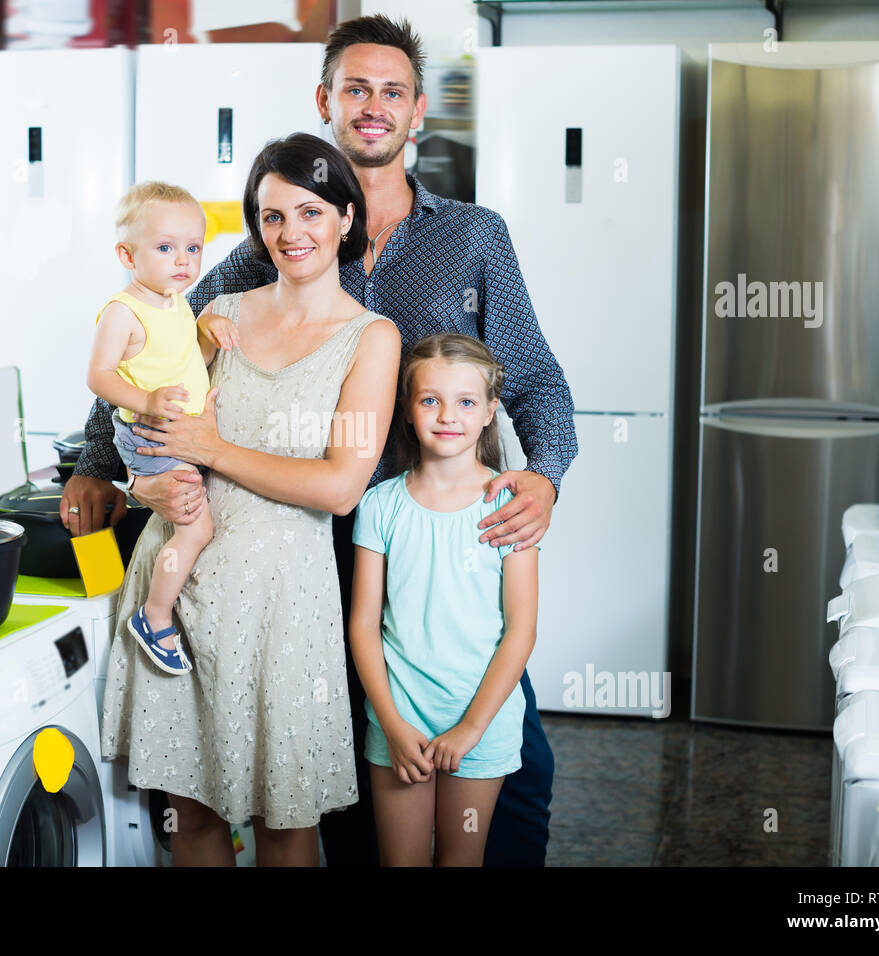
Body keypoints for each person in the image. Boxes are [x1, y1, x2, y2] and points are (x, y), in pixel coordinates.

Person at [66, 14, 576, 866]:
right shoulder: (250, 265)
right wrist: (97, 460)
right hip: (303, 553)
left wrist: (546, 476)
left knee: (506, 786)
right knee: (328, 782)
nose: (373, 106)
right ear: (325, 102)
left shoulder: (473, 238)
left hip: (425, 543)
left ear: (419, 114)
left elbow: (536, 382)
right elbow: (157, 347)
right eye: (355, 89)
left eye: (393, 91)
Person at [98, 133, 402, 865]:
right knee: (192, 811)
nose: (292, 233)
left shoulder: (371, 339)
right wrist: (141, 484)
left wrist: (214, 451)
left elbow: (340, 485)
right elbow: (145, 424)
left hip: (282, 606)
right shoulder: (216, 313)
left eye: (310, 212)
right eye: (271, 217)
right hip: (177, 597)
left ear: (345, 219)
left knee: (285, 819)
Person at [351, 334, 539, 866]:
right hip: (400, 721)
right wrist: (390, 722)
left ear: (489, 413)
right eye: (429, 400)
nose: (446, 415)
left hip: (481, 723)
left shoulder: (509, 507)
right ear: (407, 412)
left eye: (465, 402)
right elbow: (364, 625)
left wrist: (471, 729)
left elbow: (520, 630)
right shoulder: (380, 505)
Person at [85, 182, 238, 675]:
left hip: (177, 430)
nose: (183, 261)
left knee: (194, 524)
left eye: (193, 248)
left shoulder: (175, 301)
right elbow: (100, 376)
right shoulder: (122, 312)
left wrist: (205, 333)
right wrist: (147, 401)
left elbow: (179, 356)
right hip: (148, 436)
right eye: (166, 248)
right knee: (197, 528)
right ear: (127, 254)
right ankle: (154, 616)